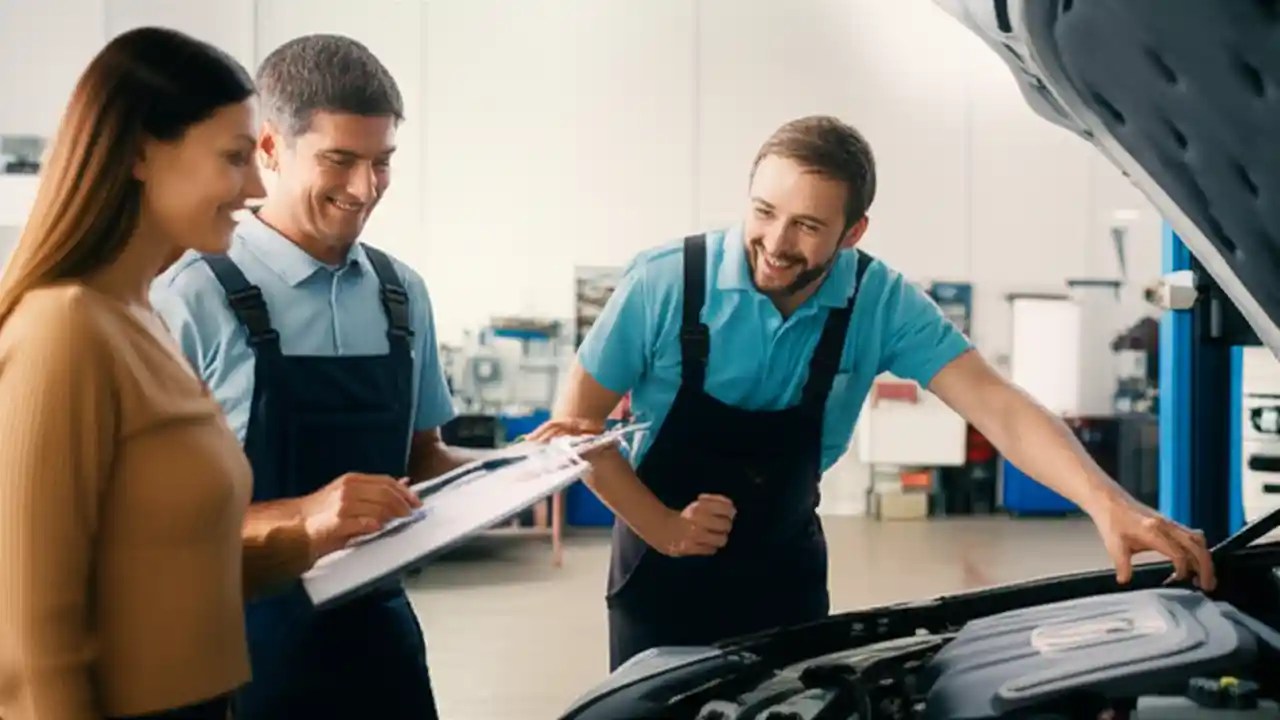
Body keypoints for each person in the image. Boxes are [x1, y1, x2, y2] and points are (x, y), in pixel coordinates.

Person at [528, 114, 1217, 671]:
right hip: (659, 573)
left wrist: (1108, 502)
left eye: (807, 226)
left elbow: (995, 402)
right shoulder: (664, 282)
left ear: (853, 233)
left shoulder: (878, 300)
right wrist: (666, 530)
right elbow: (574, 426)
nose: (774, 242)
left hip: (783, 570)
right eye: (765, 211)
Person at [0, 26, 412, 720]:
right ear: (138, 154)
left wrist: (307, 533)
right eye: (233, 158)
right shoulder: (64, 329)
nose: (255, 186)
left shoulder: (140, 323)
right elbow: (30, 641)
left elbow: (171, 566)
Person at [151, 33, 473, 720]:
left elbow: (424, 460)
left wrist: (530, 468)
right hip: (239, 652)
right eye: (340, 161)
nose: (365, 189)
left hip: (382, 645)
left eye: (382, 163)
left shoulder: (401, 293)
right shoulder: (187, 297)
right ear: (269, 149)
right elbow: (148, 527)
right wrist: (303, 518)